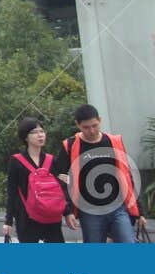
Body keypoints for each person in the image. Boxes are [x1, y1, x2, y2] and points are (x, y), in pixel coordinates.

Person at [62, 103, 146, 243]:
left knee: (128, 242)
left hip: (118, 206)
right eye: (86, 127)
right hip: (89, 210)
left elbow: (127, 176)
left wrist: (140, 212)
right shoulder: (70, 146)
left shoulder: (113, 142)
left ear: (100, 120)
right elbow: (62, 180)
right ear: (78, 125)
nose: (92, 130)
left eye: (94, 125)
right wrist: (68, 210)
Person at [4, 117, 66, 243]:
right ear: (25, 137)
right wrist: (8, 221)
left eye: (42, 131)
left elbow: (60, 190)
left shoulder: (51, 160)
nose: (40, 135)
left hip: (51, 216)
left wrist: (68, 212)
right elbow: (12, 192)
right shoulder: (16, 161)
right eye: (34, 132)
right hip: (26, 218)